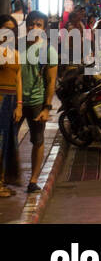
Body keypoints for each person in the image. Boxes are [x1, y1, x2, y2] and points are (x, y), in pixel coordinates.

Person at [17, 12, 55, 193]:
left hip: (36, 103)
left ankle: (33, 180)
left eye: (38, 24)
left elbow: (51, 81)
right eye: (31, 24)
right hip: (15, 102)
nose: (34, 27)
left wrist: (47, 107)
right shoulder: (17, 46)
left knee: (37, 141)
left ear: (44, 28)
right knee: (6, 141)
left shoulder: (48, 51)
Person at [0, 15, 20, 197]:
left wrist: (19, 105)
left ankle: (3, 180)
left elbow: (18, 80)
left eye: (12, 29)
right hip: (1, 99)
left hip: (12, 101)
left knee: (7, 143)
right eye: (5, 28)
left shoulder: (16, 52)